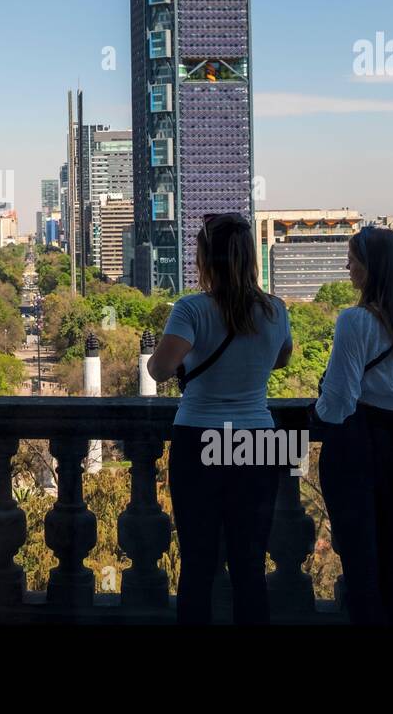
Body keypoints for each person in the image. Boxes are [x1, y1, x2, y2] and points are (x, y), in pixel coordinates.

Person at [147, 213, 293, 624]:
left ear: (204, 259)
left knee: (198, 562)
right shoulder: (276, 310)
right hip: (257, 439)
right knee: (250, 563)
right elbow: (281, 360)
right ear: (250, 259)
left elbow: (159, 370)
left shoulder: (191, 309)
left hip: (200, 435)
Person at [313, 225, 393, 625]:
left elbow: (337, 404)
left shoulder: (355, 321)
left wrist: (317, 408)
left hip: (356, 448)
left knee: (359, 564)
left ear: (371, 269)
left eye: (353, 259)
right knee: (388, 558)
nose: (347, 266)